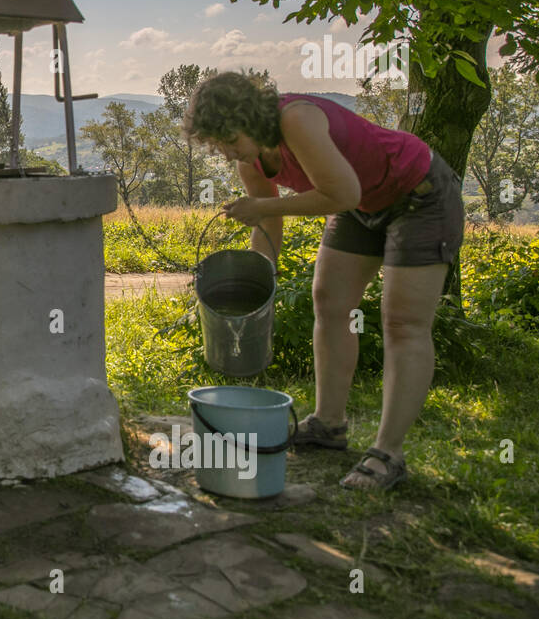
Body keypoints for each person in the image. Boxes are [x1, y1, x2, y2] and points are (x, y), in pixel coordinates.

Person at [182, 71, 465, 490]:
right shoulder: (250, 160)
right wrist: (259, 285)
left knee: (403, 323)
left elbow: (342, 193)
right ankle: (328, 424)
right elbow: (268, 218)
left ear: (246, 119)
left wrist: (260, 204)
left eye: (227, 140)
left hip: (418, 194)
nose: (225, 153)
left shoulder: (296, 119)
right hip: (359, 202)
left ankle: (388, 453)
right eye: (217, 145)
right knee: (330, 302)